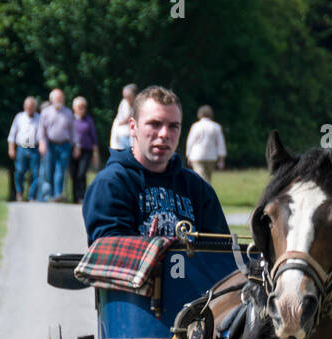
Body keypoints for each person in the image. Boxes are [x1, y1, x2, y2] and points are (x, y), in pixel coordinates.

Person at [82, 85, 229, 242]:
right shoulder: (110, 184)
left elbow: (221, 253)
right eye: (155, 124)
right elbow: (111, 254)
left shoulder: (197, 188)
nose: (164, 134)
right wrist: (150, 249)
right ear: (133, 127)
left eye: (173, 126)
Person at [38, 88, 75, 202]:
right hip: (50, 145)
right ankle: (50, 193)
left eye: (61, 98)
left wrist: (76, 145)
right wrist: (41, 143)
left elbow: (73, 131)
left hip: (64, 145)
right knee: (49, 170)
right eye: (58, 98)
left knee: (60, 170)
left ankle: (57, 194)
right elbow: (41, 130)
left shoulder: (68, 112)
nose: (60, 100)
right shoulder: (45, 112)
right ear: (52, 99)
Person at [7, 96, 42, 202]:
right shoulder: (19, 117)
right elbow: (12, 135)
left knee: (36, 173)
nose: (29, 109)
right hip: (21, 148)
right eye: (27, 107)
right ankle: (20, 192)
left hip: (34, 149)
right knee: (20, 171)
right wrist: (11, 149)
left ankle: (32, 196)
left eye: (31, 107)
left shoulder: (39, 118)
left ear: (35, 108)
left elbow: (41, 135)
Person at [68, 96, 101, 205]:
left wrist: (95, 154)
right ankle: (74, 197)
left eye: (84, 107)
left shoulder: (88, 120)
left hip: (86, 149)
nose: (82, 109)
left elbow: (93, 136)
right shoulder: (70, 119)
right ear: (74, 108)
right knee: (74, 173)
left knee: (81, 173)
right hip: (72, 149)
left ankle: (82, 196)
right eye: (80, 107)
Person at [185, 105, 226, 182]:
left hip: (197, 156)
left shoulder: (196, 126)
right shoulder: (216, 126)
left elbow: (190, 142)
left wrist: (188, 155)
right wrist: (221, 159)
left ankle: (203, 193)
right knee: (207, 179)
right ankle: (205, 193)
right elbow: (221, 144)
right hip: (211, 157)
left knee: (201, 178)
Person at [109, 83, 137, 154]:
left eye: (129, 97)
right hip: (122, 137)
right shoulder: (123, 103)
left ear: (134, 95)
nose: (127, 99)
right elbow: (121, 121)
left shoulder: (140, 104)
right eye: (125, 97)